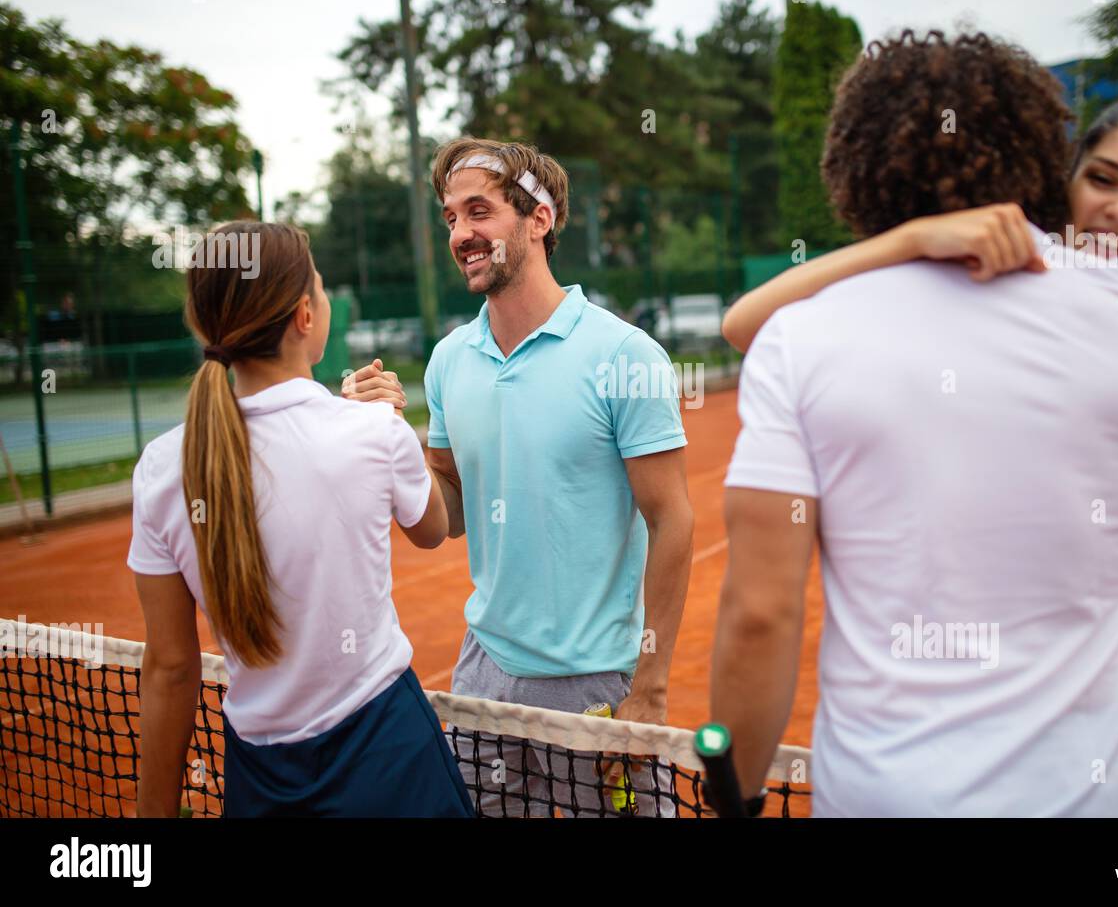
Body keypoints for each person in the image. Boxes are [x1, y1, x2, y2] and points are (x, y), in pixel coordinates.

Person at [709, 30, 1118, 816]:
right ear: (1042, 164)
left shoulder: (801, 336)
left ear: (851, 166)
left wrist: (735, 798)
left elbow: (759, 614)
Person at [347, 138, 694, 817]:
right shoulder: (448, 361)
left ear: (540, 219)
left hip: (596, 685)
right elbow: (445, 514)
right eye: (449, 217)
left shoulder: (625, 355)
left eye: (479, 211)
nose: (461, 234)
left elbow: (672, 518)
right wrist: (391, 436)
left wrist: (649, 688)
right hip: (485, 679)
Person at [129, 222, 471, 818]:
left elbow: (170, 667)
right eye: (319, 286)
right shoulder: (373, 432)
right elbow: (433, 528)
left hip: (260, 780)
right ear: (304, 316)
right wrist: (387, 421)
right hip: (390, 758)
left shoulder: (161, 467)